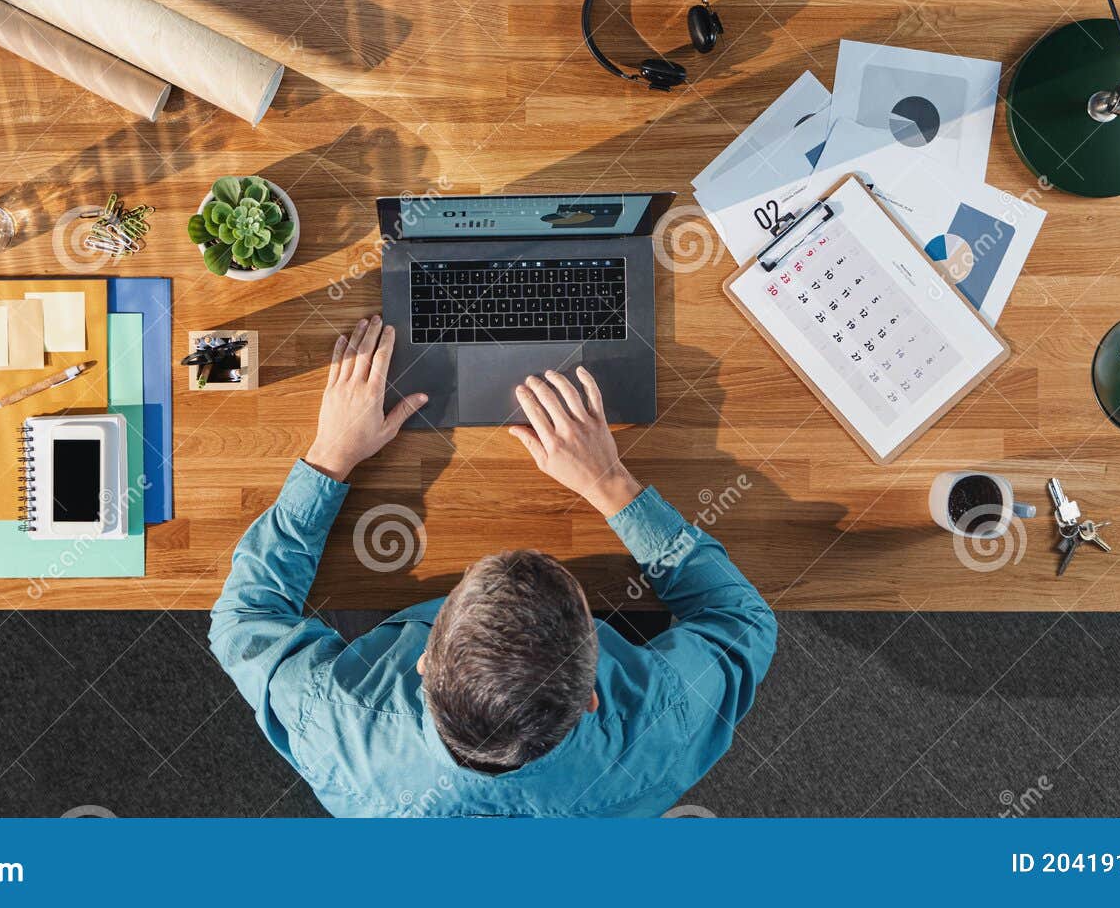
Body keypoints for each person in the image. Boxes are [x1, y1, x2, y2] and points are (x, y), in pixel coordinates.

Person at [210, 315, 777, 816]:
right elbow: (741, 620)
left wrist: (331, 453)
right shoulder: (659, 731)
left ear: (425, 663)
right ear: (591, 698)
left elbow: (245, 615)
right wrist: (611, 484)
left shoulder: (340, 727)